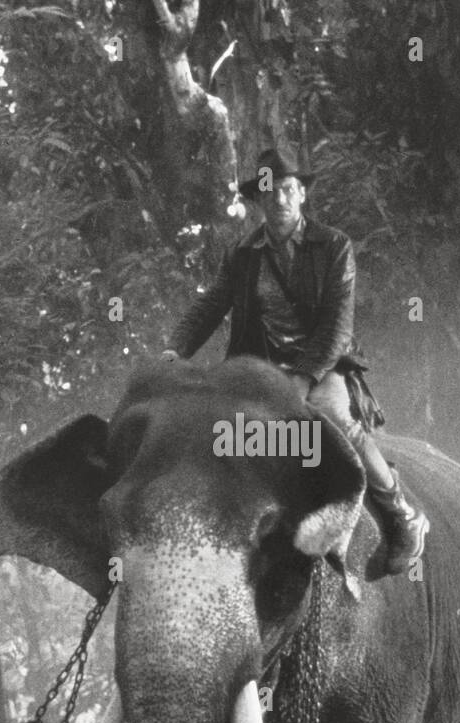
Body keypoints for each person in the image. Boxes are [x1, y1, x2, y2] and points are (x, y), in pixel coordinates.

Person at [162, 146, 428, 575]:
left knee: (337, 421)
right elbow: (210, 306)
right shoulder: (242, 254)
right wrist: (174, 351)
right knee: (216, 434)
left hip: (321, 364)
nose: (279, 199)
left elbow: (337, 326)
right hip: (261, 367)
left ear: (301, 194)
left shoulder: (334, 247)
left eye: (288, 189)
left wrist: (303, 378)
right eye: (269, 192)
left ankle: (401, 514)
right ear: (259, 201)